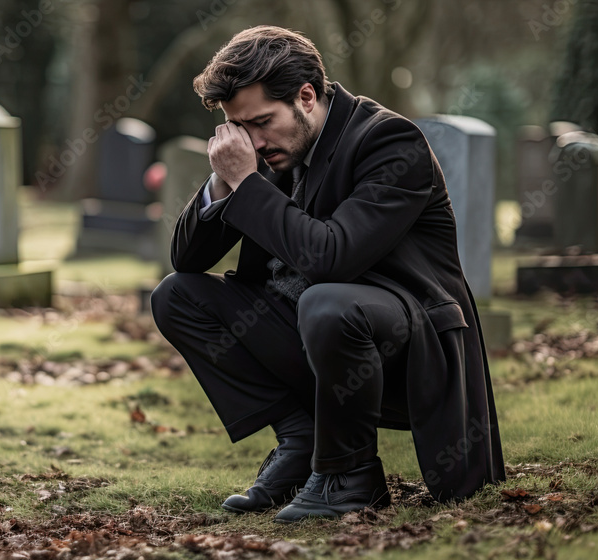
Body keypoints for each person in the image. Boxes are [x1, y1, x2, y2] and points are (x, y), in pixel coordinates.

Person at [150, 26, 505, 522]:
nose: (252, 141)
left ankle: (351, 474)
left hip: (404, 351)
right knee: (177, 296)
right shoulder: (273, 149)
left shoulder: (390, 142)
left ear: (307, 96)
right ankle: (301, 439)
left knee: (327, 301)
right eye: (238, 128)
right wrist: (224, 177)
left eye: (261, 122)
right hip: (313, 337)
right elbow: (187, 259)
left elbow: (331, 259)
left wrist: (248, 181)